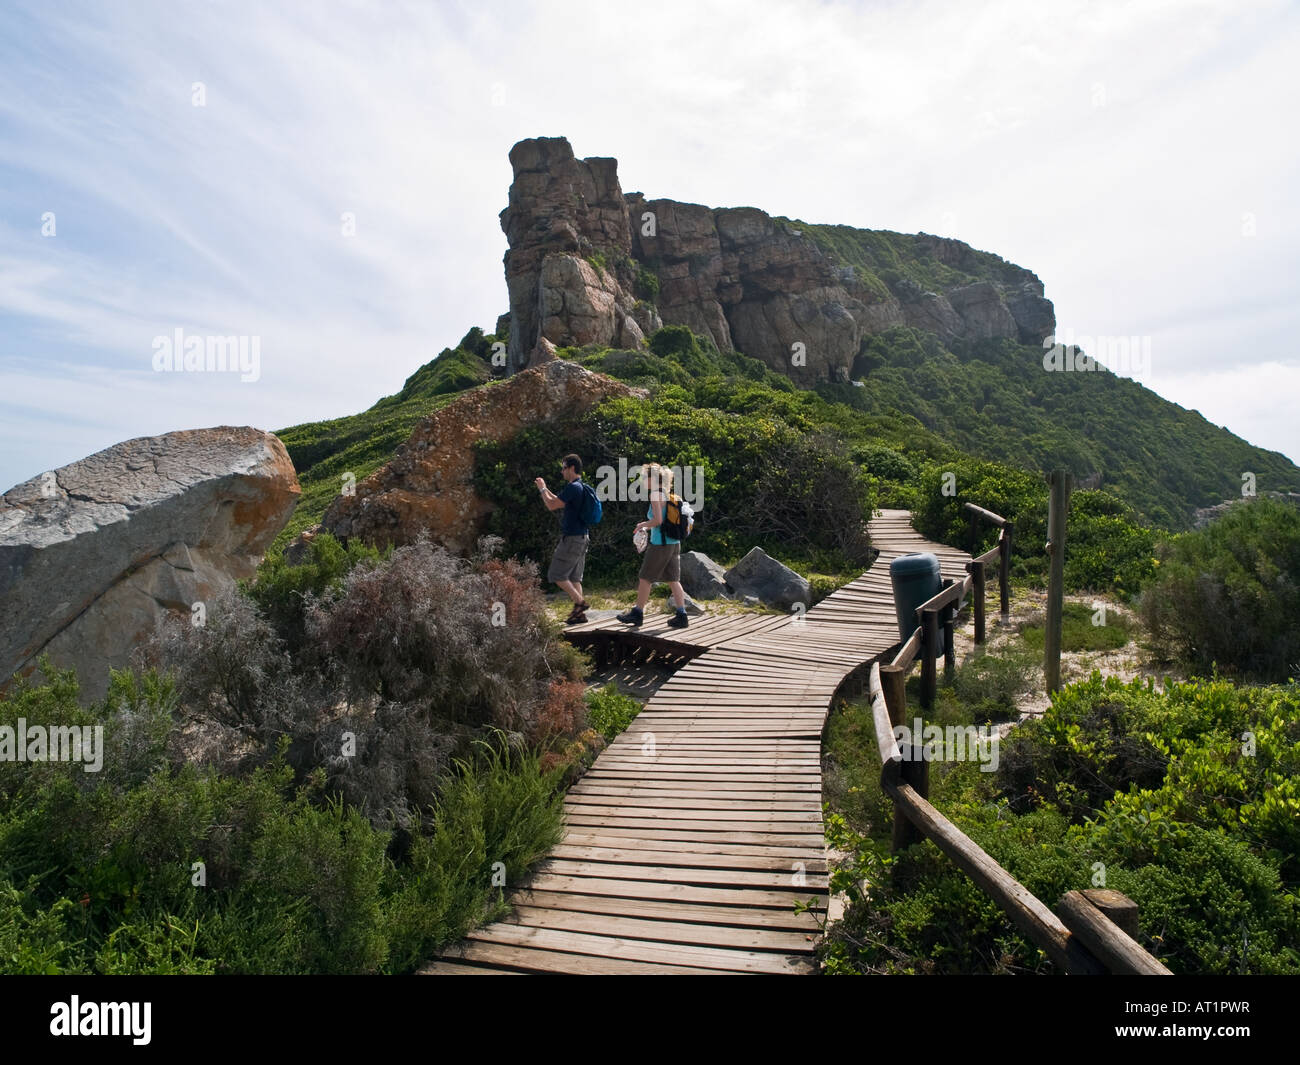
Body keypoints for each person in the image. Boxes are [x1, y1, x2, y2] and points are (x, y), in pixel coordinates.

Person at [617, 462, 689, 629]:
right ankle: (682, 615)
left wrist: (643, 525)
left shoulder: (655, 495)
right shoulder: (667, 493)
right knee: (673, 580)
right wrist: (645, 523)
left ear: (653, 479)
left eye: (644, 477)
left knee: (645, 577)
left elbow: (658, 520)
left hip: (660, 544)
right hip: (674, 543)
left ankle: (637, 613)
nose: (642, 480)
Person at [535, 454, 590, 624]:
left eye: (564, 468)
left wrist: (542, 489)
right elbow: (556, 500)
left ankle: (580, 603)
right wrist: (545, 489)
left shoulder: (573, 488)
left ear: (572, 468)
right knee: (574, 578)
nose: (562, 471)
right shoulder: (580, 487)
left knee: (556, 575)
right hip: (582, 537)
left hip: (572, 539)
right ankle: (579, 615)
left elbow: (551, 505)